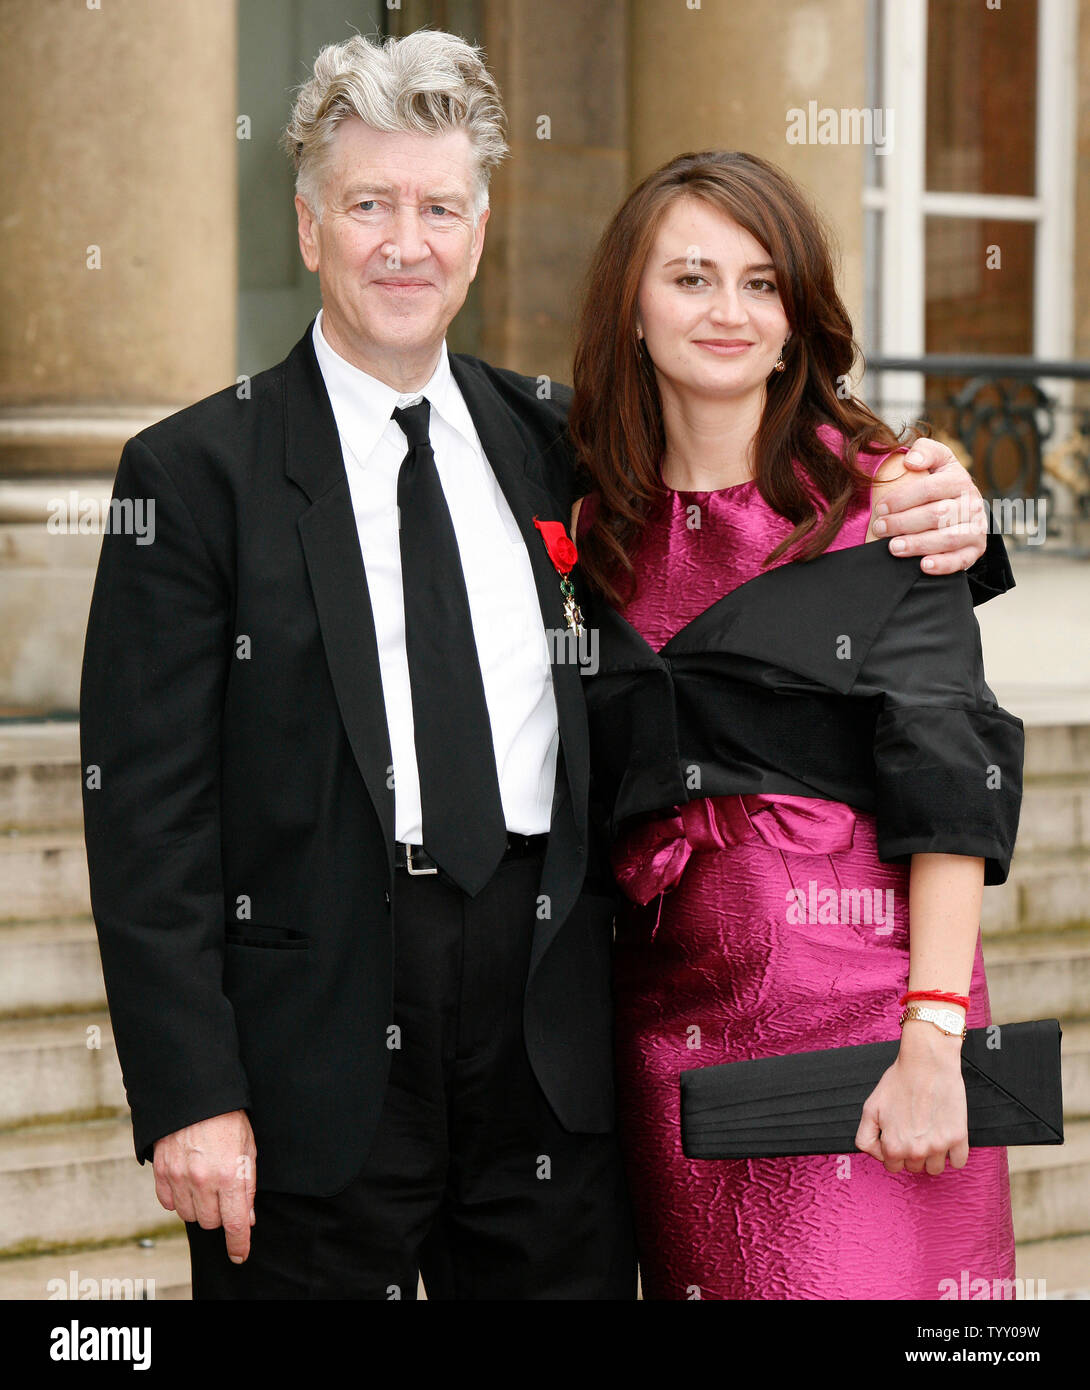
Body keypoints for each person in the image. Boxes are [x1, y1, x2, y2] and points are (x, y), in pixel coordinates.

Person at [79, 32, 997, 1302]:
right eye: (369, 205)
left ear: (481, 226)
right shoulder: (192, 478)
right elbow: (146, 821)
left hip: (551, 1048)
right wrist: (191, 1095)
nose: (408, 241)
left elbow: (750, 493)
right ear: (306, 228)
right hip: (314, 1056)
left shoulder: (563, 445)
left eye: (439, 206)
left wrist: (940, 494)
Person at [569, 149, 1022, 1300]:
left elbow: (946, 775)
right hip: (668, 1031)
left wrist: (930, 1043)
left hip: (865, 1029)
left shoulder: (886, 501)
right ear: (630, 304)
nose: (727, 311)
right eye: (690, 277)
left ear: (795, 319)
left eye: (761, 283)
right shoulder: (592, 521)